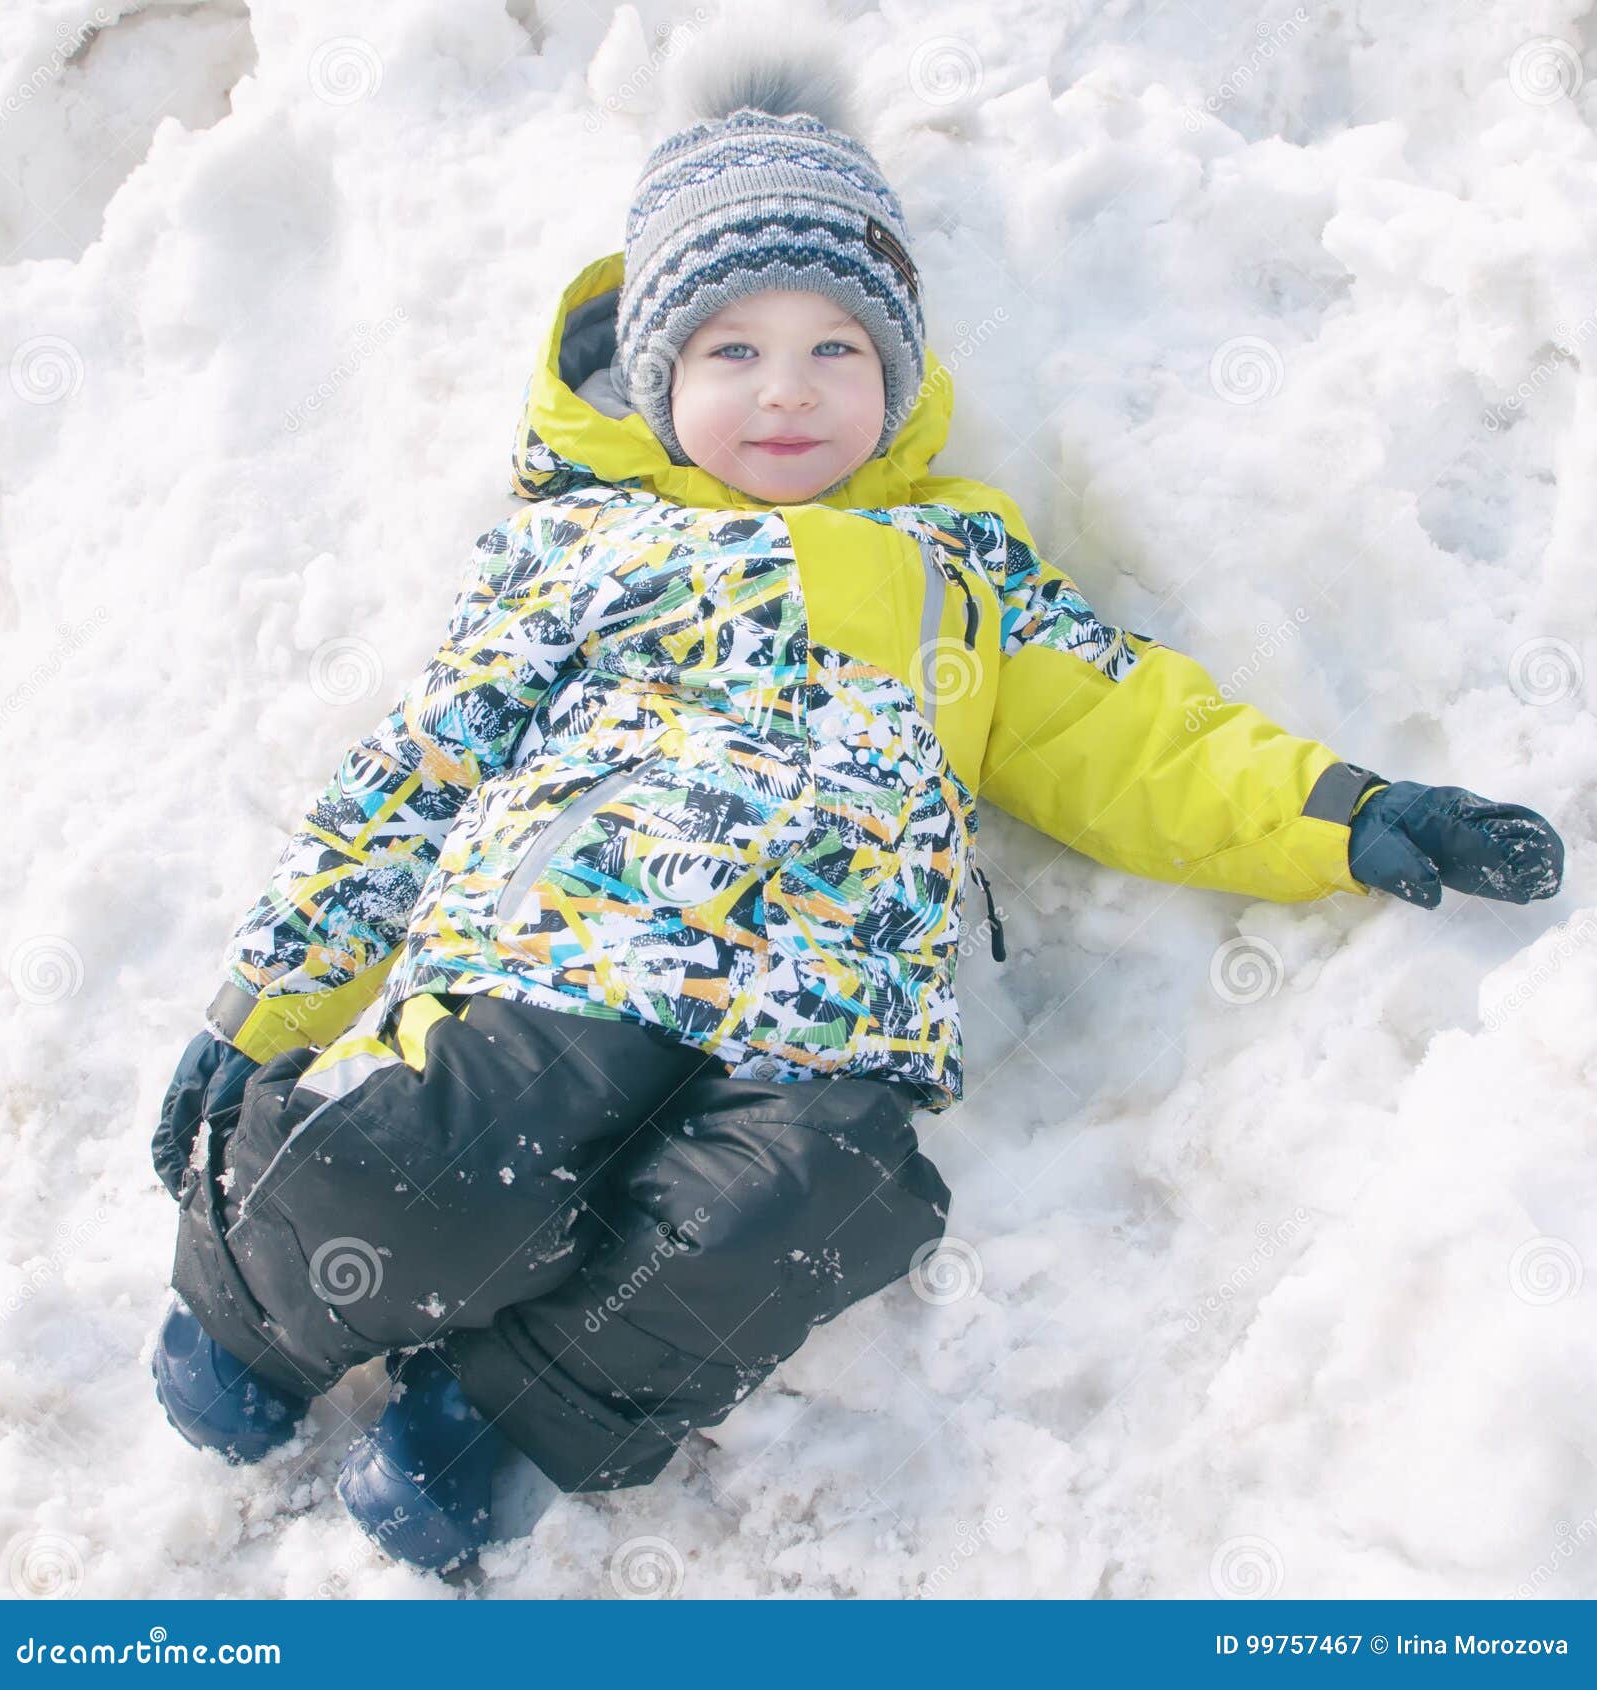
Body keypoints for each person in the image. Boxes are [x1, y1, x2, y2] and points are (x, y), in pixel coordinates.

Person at [148, 37, 1564, 1577]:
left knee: (805, 1215)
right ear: (659, 373)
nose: (787, 393)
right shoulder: (586, 550)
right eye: (733, 351)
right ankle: (256, 1301)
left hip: (823, 1028)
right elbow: (412, 780)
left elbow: (1134, 726)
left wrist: (1344, 808)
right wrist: (267, 1003)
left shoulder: (962, 568)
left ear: (896, 375)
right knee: (423, 1170)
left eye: (838, 349)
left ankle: (497, 1418)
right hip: (566, 960)